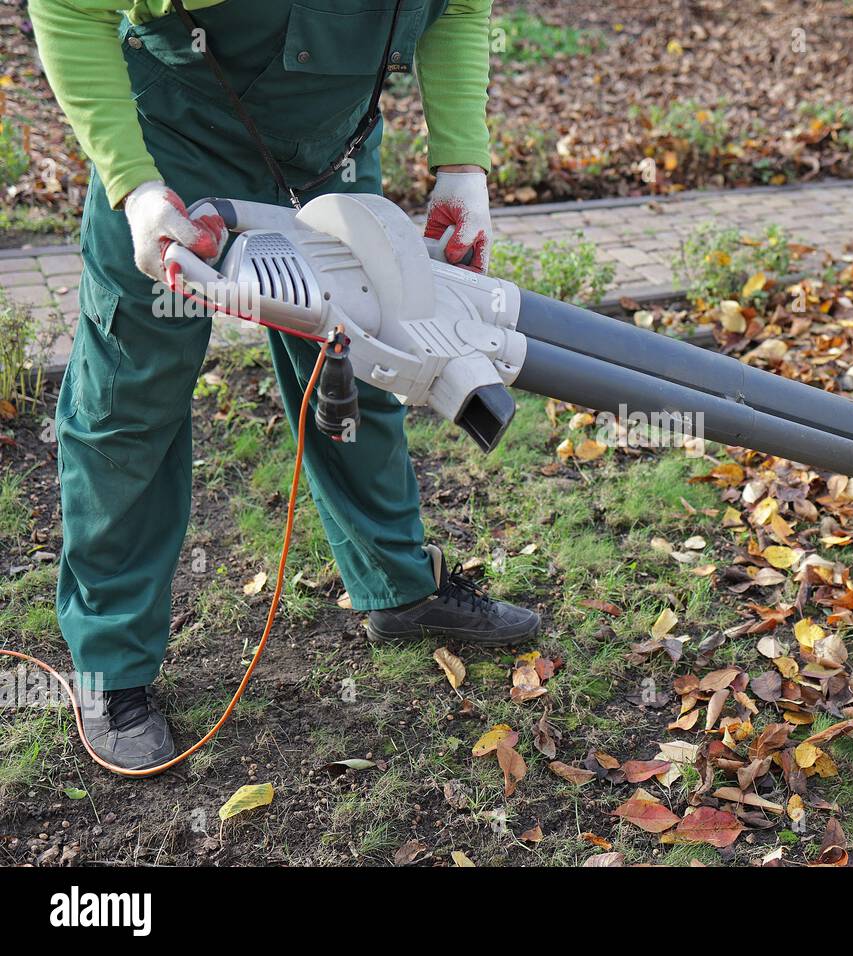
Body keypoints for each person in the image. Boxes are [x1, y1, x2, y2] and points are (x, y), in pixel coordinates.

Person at [29, 0, 538, 773]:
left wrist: (462, 167)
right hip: (176, 146)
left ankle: (400, 590)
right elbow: (68, 6)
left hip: (331, 151)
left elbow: (459, 5)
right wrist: (135, 188)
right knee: (132, 399)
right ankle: (113, 669)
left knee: (366, 364)